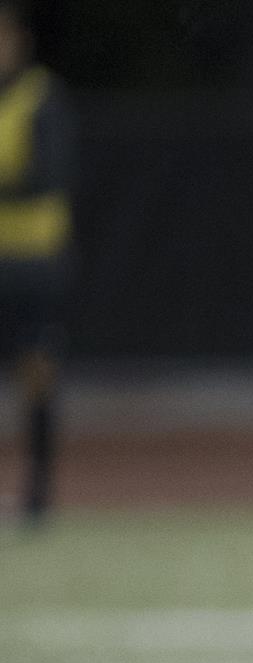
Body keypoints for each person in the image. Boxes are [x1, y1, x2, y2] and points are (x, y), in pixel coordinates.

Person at [0, 2, 72, 528]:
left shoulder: (40, 95)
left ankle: (39, 489)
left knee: (37, 370)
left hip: (34, 261)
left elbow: (46, 171)